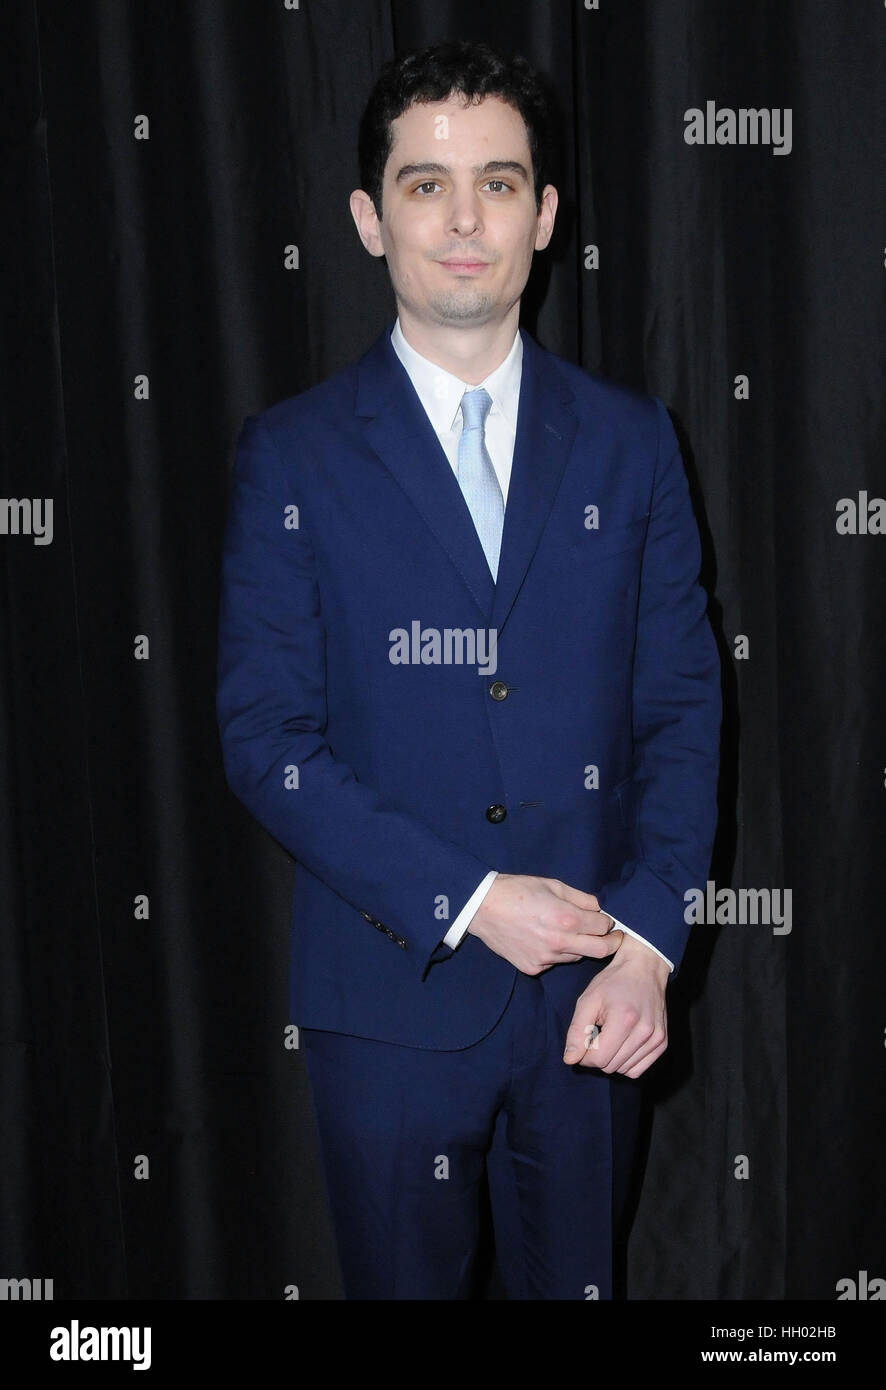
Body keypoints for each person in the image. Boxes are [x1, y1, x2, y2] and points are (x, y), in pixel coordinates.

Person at [216, 38, 721, 1300]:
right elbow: (266, 736)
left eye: (497, 183)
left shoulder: (632, 443)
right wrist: (471, 895)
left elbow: (678, 704)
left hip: (595, 1005)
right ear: (367, 218)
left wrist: (652, 941)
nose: (461, 219)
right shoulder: (291, 457)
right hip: (386, 1006)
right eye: (424, 184)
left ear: (543, 216)